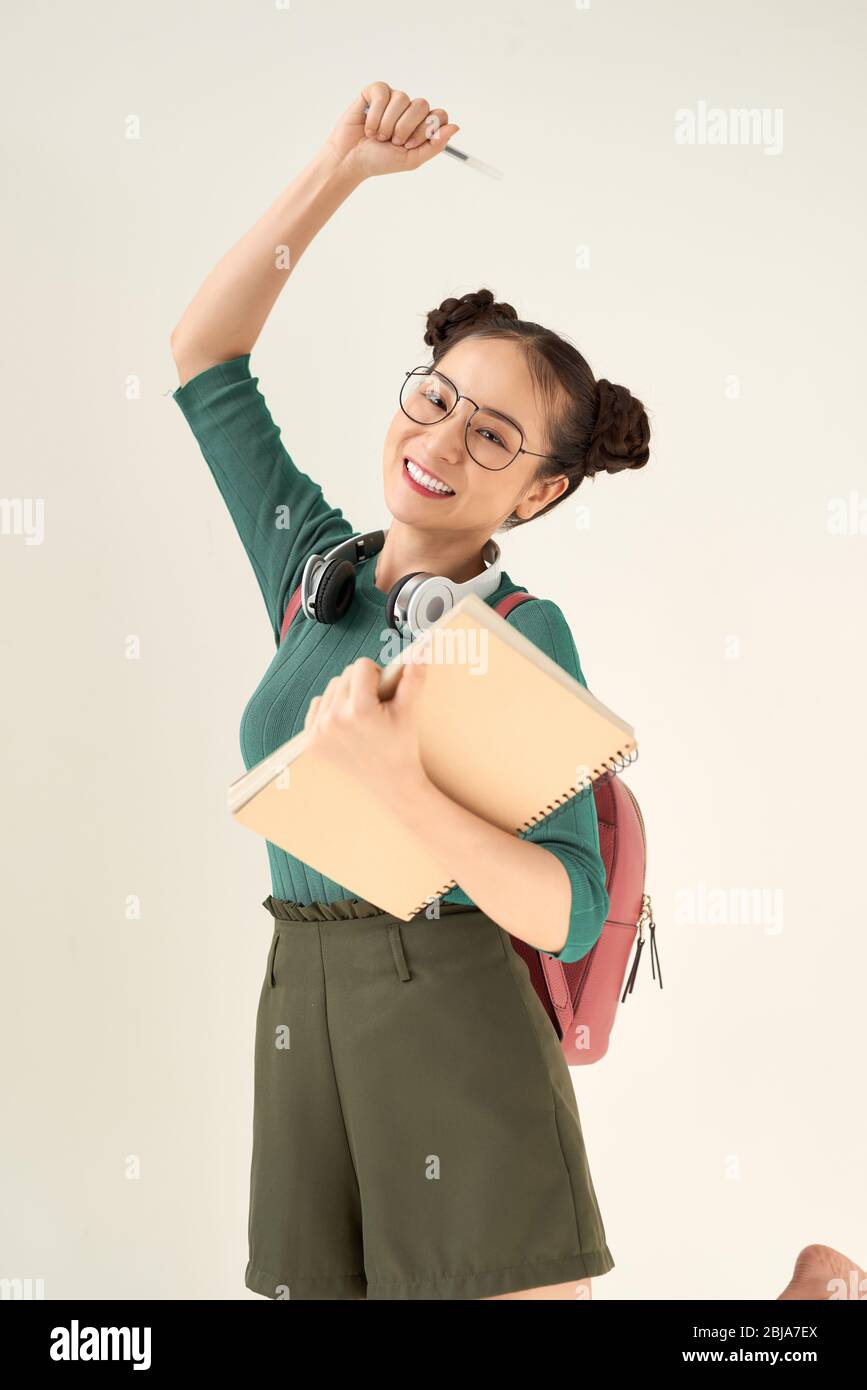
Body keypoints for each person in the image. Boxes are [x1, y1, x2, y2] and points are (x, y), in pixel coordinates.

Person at [169, 82, 651, 1301]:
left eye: (492, 436)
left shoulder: (522, 633)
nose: (439, 443)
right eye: (436, 398)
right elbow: (206, 357)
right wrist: (340, 166)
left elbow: (570, 910)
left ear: (540, 492)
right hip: (302, 998)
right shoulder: (312, 569)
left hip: (451, 1009)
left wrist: (401, 789)